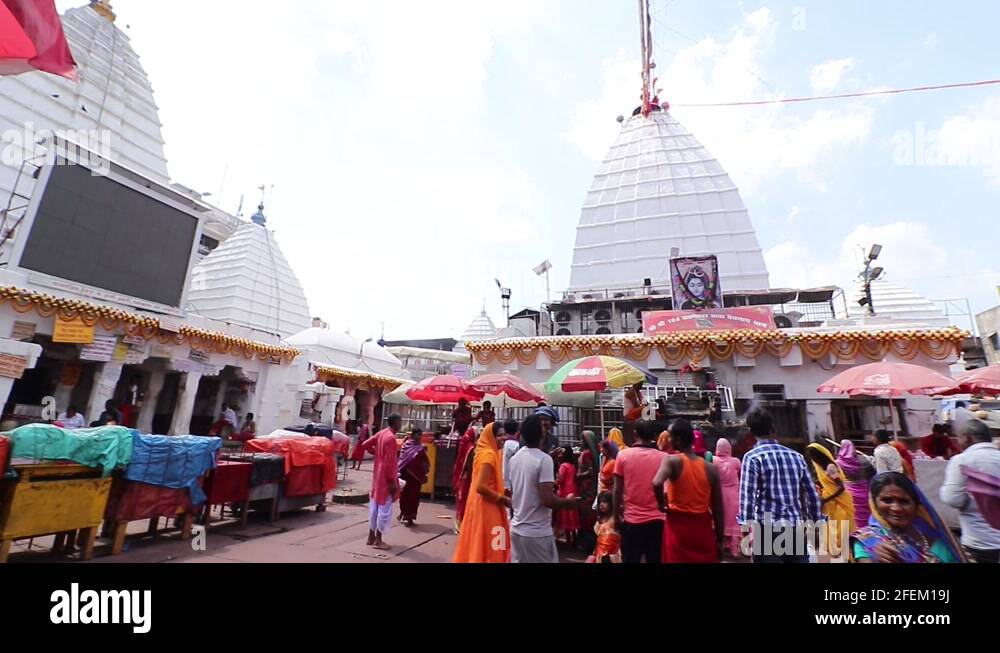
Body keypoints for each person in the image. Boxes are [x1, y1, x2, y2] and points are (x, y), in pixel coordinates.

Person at [738, 408, 822, 563]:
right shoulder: (796, 457)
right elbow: (812, 495)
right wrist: (816, 526)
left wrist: (746, 533)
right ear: (773, 428)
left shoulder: (752, 458)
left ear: (751, 433)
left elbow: (747, 498)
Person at [507, 415, 581, 563]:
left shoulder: (516, 458)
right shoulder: (543, 460)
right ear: (541, 433)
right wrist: (569, 502)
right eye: (545, 427)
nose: (548, 429)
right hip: (537, 532)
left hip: (517, 529)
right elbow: (547, 499)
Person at [652, 419, 724, 563]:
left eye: (670, 437)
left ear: (678, 440)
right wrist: (719, 539)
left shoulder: (672, 461)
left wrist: (661, 504)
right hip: (702, 528)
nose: (669, 440)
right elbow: (718, 509)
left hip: (678, 526)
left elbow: (656, 482)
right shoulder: (710, 468)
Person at [852, 472, 964, 563]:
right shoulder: (868, 540)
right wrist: (875, 558)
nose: (896, 508)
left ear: (917, 506)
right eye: (887, 500)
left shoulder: (942, 544)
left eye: (904, 501)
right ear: (874, 504)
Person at [940, 419, 1000, 563]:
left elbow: (952, 498)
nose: (957, 441)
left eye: (959, 437)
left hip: (978, 541)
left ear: (967, 437)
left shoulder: (962, 460)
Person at [453, 422, 511, 563]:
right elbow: (481, 487)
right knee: (493, 546)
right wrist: (502, 498)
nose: (503, 438)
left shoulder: (485, 452)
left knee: (483, 544)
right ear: (490, 437)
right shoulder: (488, 456)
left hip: (483, 505)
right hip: (488, 507)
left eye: (504, 434)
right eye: (499, 435)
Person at [614, 419, 668, 563]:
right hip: (658, 521)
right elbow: (667, 491)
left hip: (632, 520)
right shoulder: (664, 458)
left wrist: (615, 516)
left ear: (635, 434)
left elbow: (617, 490)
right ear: (654, 436)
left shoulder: (623, 456)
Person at [806, 443, 855, 560]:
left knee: (842, 529)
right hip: (832, 503)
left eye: (813, 456)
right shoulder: (821, 468)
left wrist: (826, 499)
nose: (812, 459)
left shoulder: (830, 467)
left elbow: (841, 487)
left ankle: (849, 555)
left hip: (840, 503)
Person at [363, 414, 402, 550]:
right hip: (386, 478)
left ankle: (370, 537)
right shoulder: (391, 438)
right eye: (400, 422)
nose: (401, 424)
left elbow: (365, 444)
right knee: (384, 510)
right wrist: (392, 482)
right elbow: (390, 463)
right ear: (395, 422)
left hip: (377, 477)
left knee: (374, 508)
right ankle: (378, 540)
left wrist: (376, 454)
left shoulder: (382, 433)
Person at [714, 438, 743, 558]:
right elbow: (742, 474)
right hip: (735, 495)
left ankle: (724, 546)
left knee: (722, 521)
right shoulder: (736, 461)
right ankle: (735, 550)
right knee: (735, 523)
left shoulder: (714, 461)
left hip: (719, 495)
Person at [836, 439, 874, 529]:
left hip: (849, 491)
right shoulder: (863, 460)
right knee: (866, 514)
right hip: (864, 490)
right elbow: (871, 472)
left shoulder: (838, 463)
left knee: (853, 515)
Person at [398, 427, 430, 526]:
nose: (419, 437)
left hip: (416, 477)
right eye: (417, 434)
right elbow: (401, 459)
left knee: (414, 497)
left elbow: (425, 462)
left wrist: (425, 472)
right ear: (412, 435)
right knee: (404, 496)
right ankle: (402, 513)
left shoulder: (421, 448)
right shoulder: (406, 446)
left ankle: (410, 517)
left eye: (421, 435)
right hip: (405, 475)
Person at [452, 425, 477, 532]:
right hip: (468, 478)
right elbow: (470, 466)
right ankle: (463, 524)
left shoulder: (465, 444)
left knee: (461, 500)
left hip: (462, 476)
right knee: (466, 501)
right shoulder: (472, 448)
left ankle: (459, 523)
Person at [587, 492, 622, 563]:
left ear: (611, 503)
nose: (601, 505)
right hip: (600, 554)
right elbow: (598, 540)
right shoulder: (599, 521)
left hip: (613, 556)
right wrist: (594, 553)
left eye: (605, 502)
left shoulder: (615, 520)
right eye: (600, 502)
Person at [555, 447, 581, 544]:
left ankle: (568, 540)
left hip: (565, 490)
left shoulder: (563, 466)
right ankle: (574, 537)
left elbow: (560, 480)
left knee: (565, 514)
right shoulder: (572, 465)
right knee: (572, 514)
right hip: (573, 489)